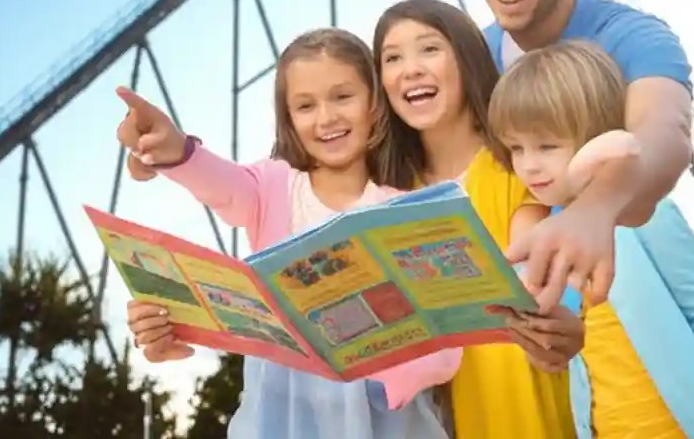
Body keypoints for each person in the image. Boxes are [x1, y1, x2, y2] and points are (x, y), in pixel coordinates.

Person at [117, 28, 458, 439]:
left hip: (385, 420)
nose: (327, 117)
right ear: (289, 120)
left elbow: (446, 342)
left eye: (343, 97)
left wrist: (385, 368)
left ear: (373, 105)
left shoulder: (407, 211)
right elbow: (220, 182)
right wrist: (173, 148)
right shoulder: (272, 188)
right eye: (305, 106)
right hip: (279, 420)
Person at [463, 0, 694, 313]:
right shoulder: (471, 57)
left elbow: (663, 132)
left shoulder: (634, 37)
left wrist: (593, 210)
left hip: (625, 309)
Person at [491, 40, 694, 438]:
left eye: (547, 145)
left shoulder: (645, 215)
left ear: (596, 136)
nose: (529, 165)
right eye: (516, 148)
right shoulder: (549, 237)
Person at [372, 0, 578, 439]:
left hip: (517, 400)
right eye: (392, 58)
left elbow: (533, 275)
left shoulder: (515, 167)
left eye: (429, 48)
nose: (409, 68)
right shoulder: (387, 197)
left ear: (465, 56)